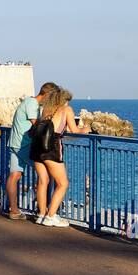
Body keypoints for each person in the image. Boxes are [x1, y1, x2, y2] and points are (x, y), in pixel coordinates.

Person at [31, 87, 84, 227]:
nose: (68, 103)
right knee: (63, 183)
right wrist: (86, 129)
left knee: (43, 181)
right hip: (51, 148)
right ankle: (51, 216)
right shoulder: (67, 110)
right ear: (64, 100)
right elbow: (75, 130)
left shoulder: (46, 110)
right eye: (67, 101)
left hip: (37, 147)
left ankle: (41, 214)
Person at [5, 82, 58, 221]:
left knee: (15, 175)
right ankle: (44, 212)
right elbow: (38, 126)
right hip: (24, 145)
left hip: (15, 143)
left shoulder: (29, 102)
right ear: (47, 95)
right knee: (46, 174)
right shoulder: (32, 104)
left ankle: (14, 210)